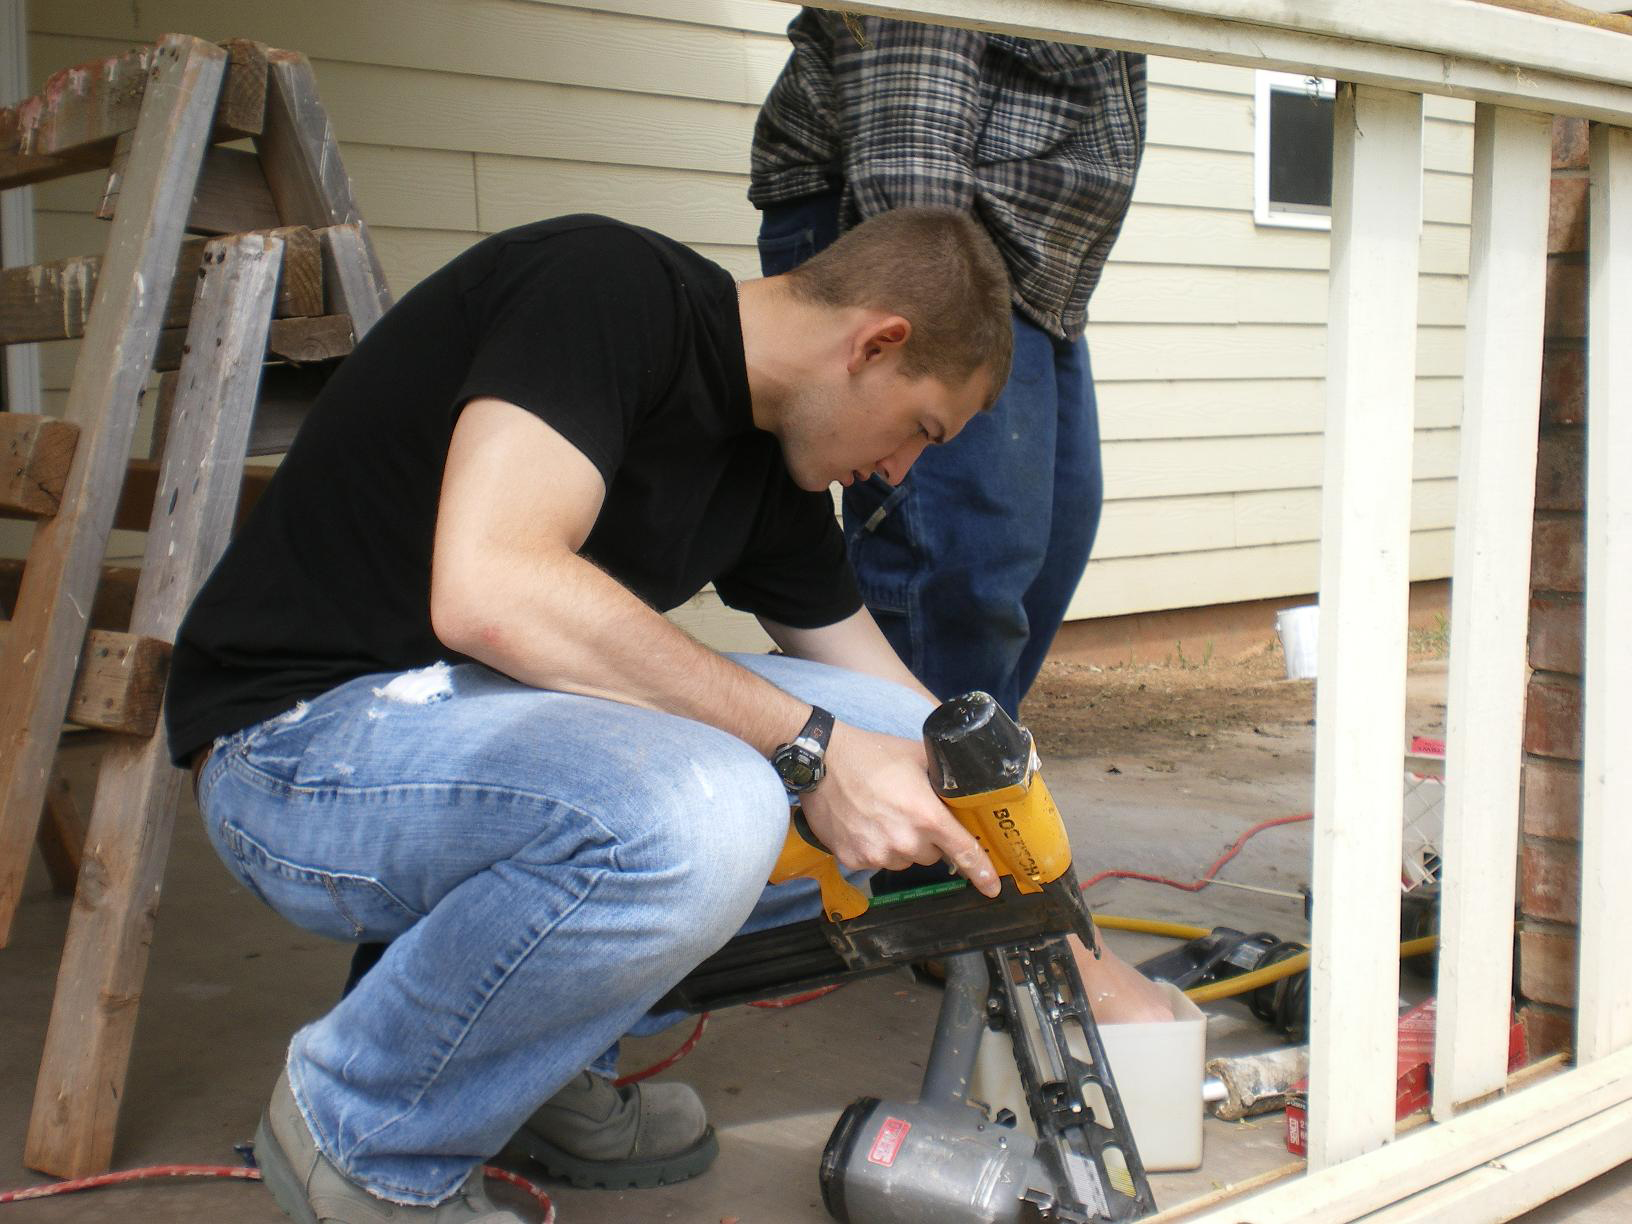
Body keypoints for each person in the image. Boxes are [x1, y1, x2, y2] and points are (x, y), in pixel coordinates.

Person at [166, 207, 1017, 1223]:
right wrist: (809, 747)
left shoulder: (771, 470)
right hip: (298, 744)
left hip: (462, 735)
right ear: (878, 344)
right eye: (919, 430)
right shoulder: (602, 290)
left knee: (902, 760)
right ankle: (362, 1135)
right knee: (707, 810)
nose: (897, 472)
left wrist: (1021, 852)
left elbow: (888, 704)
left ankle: (523, 1063)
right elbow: (490, 587)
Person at [750, 10, 1146, 720]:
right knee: (962, 566)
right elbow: (910, 107)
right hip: (934, 222)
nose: (899, 466)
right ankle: (909, 802)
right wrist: (934, 286)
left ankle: (951, 777)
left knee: (1041, 548)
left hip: (1039, 265)